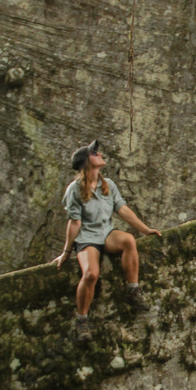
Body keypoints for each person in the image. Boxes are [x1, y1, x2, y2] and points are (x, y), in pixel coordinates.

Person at [52, 140, 161, 340]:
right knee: (92, 274)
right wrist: (67, 252)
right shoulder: (74, 189)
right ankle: (82, 319)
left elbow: (122, 209)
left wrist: (145, 229)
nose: (100, 154)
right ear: (86, 162)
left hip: (106, 233)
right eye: (95, 153)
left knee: (128, 240)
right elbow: (74, 223)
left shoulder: (107, 184)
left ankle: (133, 290)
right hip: (87, 238)